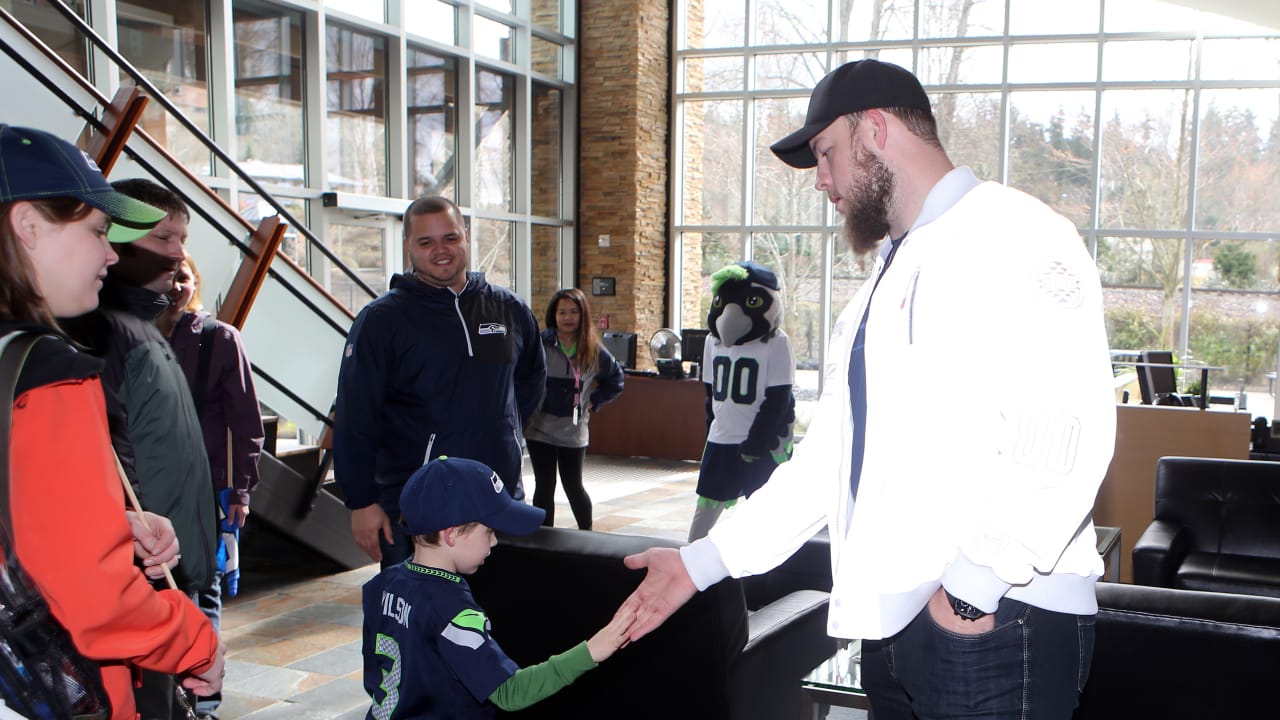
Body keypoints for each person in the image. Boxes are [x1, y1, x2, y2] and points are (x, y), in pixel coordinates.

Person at [621, 59, 1117, 719]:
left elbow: (1067, 433)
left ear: (875, 129)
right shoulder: (885, 280)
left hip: (999, 617)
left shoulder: (1015, 233)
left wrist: (973, 588)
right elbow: (828, 460)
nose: (822, 181)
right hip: (902, 622)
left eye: (826, 154)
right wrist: (703, 562)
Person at [0, 123, 225, 719]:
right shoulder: (46, 371)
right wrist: (194, 642)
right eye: (98, 232)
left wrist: (109, 523)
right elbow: (95, 602)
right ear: (27, 226)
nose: (110, 253)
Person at [62, 177, 221, 719]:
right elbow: (106, 463)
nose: (179, 252)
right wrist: (134, 549)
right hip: (144, 569)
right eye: (164, 237)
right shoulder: (99, 330)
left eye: (182, 238)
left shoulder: (144, 325)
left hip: (166, 559)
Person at [335, 195, 546, 568]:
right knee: (420, 622)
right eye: (426, 242)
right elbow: (356, 415)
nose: (440, 251)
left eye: (450, 238)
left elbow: (529, 383)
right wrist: (361, 501)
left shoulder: (509, 310)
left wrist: (501, 431)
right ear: (408, 247)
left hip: (498, 501)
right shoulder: (381, 321)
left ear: (466, 235)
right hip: (416, 512)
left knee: (500, 621)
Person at [361, 456, 633, 718]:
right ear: (453, 533)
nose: (493, 542)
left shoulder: (381, 586)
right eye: (489, 531)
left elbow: (374, 676)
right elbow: (510, 693)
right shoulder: (453, 611)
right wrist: (593, 650)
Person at [158, 253, 265, 720]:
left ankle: (204, 700)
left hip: (205, 494)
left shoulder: (218, 339)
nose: (176, 287)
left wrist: (240, 492)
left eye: (184, 277)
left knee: (203, 591)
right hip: (149, 491)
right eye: (169, 276)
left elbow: (247, 424)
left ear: (194, 282)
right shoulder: (130, 335)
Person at [688, 261, 795, 541]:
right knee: (703, 517)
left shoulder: (776, 342)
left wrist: (757, 442)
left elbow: (778, 399)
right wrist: (711, 430)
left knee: (767, 519)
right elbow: (710, 394)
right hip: (721, 441)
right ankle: (693, 573)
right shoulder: (713, 341)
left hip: (763, 446)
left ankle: (769, 580)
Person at [524, 288, 624, 530]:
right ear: (553, 315)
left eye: (573, 312)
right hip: (539, 428)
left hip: (574, 431)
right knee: (544, 486)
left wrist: (593, 401)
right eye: (562, 312)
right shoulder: (540, 343)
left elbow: (616, 380)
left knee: (573, 486)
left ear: (582, 315)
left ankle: (587, 535)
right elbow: (522, 376)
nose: (567, 317)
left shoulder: (593, 348)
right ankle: (543, 539)